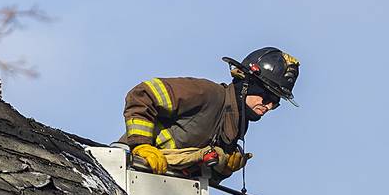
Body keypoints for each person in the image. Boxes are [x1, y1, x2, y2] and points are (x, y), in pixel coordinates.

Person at [118, 47, 299, 180]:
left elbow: (198, 175)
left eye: (275, 103)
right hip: (128, 168)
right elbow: (143, 94)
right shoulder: (208, 94)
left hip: (162, 184)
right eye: (266, 97)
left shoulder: (235, 125)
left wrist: (222, 169)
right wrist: (141, 145)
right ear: (247, 85)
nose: (268, 106)